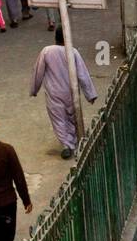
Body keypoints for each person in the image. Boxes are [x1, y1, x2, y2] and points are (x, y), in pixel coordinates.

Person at [31, 26, 98, 160]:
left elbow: (37, 72)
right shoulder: (72, 52)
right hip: (71, 92)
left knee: (59, 119)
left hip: (54, 93)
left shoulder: (46, 51)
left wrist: (34, 89)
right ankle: (77, 140)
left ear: (55, 37)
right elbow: (83, 74)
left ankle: (67, 145)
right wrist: (90, 95)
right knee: (72, 116)